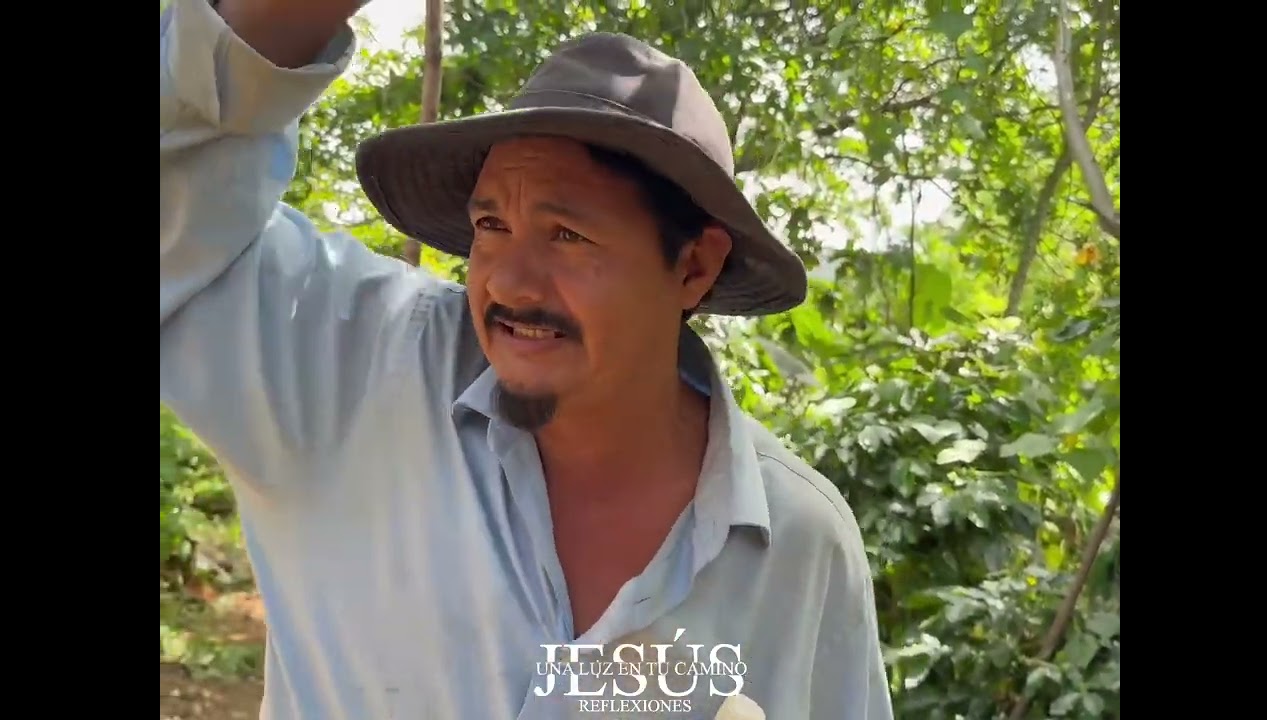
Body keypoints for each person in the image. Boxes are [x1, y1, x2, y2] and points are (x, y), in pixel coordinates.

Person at [160, 0, 895, 717]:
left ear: (694, 267)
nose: (507, 283)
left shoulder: (799, 548)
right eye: (491, 224)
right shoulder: (345, 371)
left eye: (568, 235)